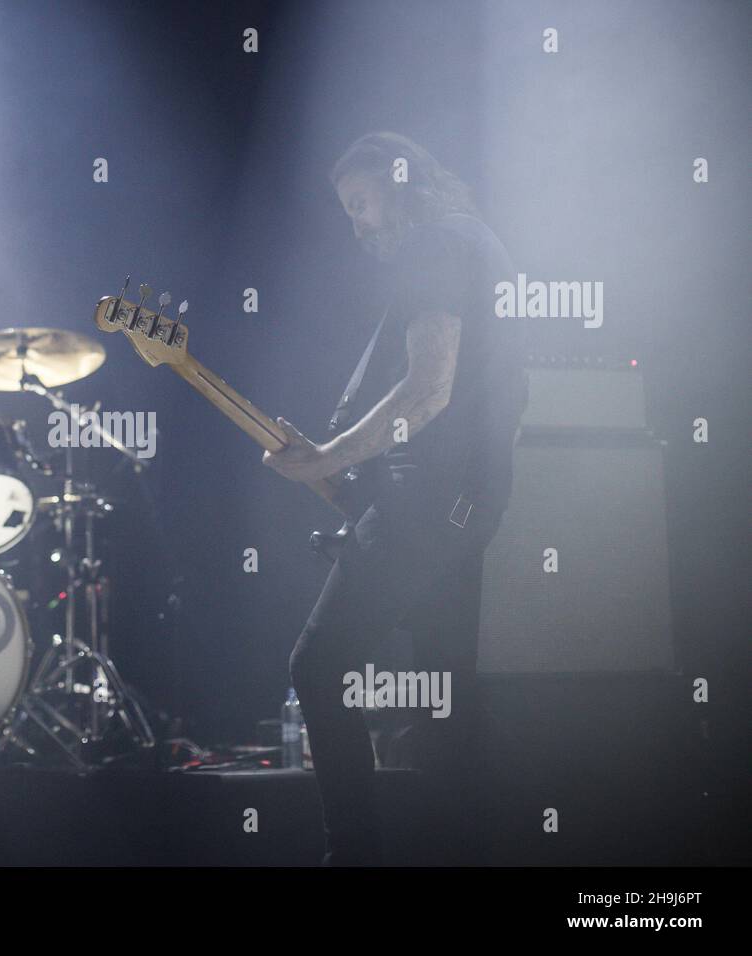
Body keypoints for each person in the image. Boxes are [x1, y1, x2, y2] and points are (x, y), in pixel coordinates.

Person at [262, 132, 527, 865]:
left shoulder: (436, 247)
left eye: (362, 204)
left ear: (402, 185)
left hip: (427, 510)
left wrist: (325, 456)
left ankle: (352, 858)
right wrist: (337, 462)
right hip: (464, 508)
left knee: (317, 667)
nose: (357, 225)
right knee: (448, 699)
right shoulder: (473, 243)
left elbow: (428, 390)